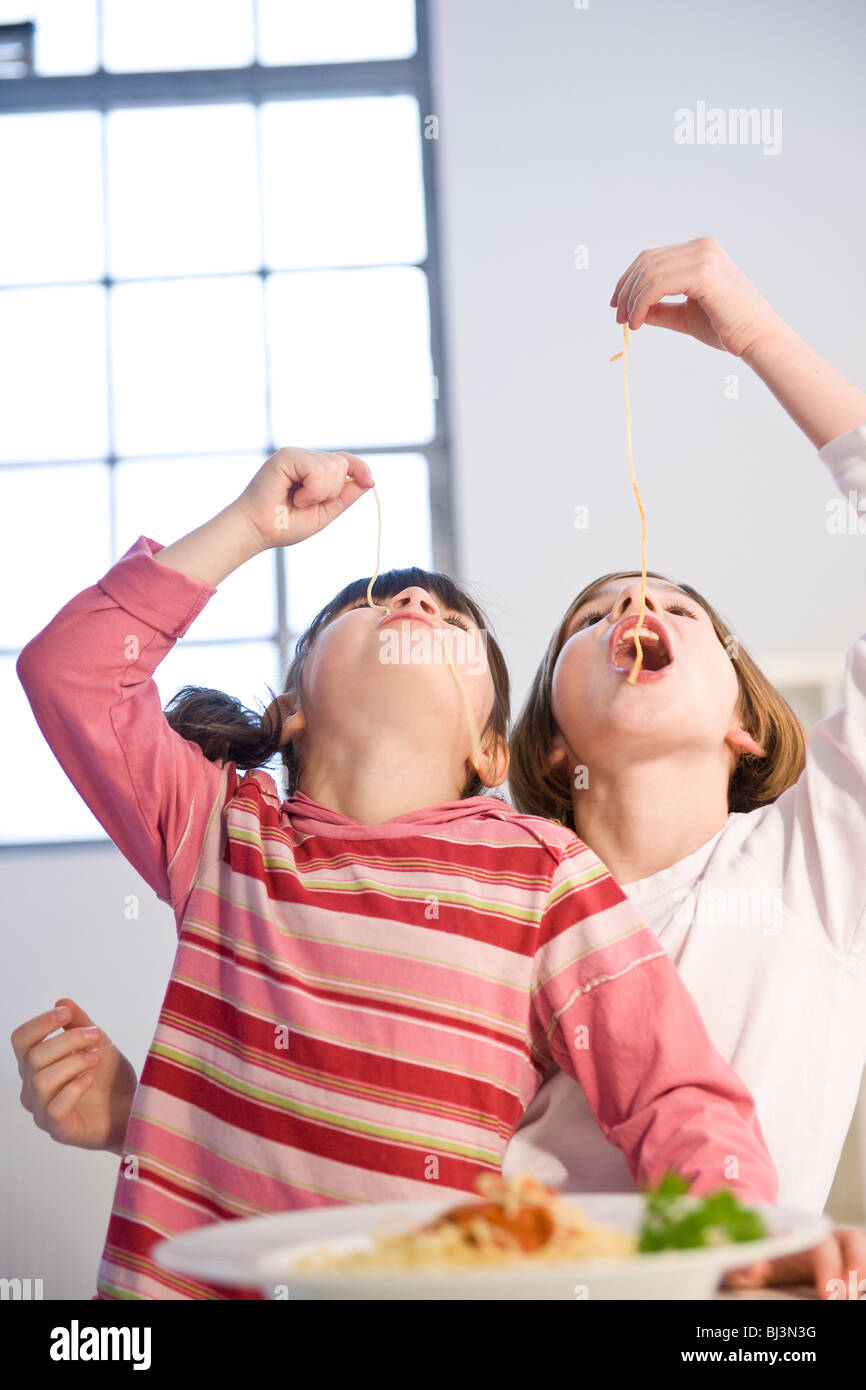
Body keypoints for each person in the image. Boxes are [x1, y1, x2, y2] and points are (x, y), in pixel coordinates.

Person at [13, 443, 777, 1300]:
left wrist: (741, 1252)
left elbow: (672, 1093)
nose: (414, 601)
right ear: (292, 709)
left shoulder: (545, 871)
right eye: (371, 600)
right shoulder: (221, 834)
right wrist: (247, 527)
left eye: (454, 624)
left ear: (489, 748)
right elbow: (67, 671)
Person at [502, 237, 866, 1295]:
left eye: (680, 610)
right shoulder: (491, 904)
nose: (636, 605)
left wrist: (754, 334)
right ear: (551, 739)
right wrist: (138, 1117)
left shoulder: (815, 863)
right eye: (592, 614)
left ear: (744, 726)